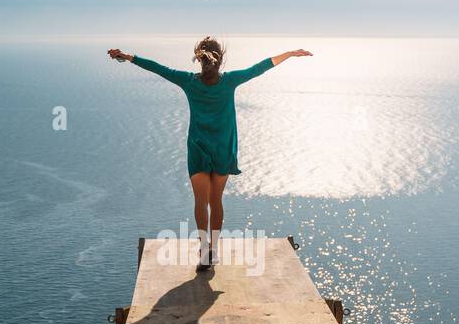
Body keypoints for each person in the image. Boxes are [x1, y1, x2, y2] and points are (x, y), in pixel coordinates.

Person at [107, 38, 312, 270]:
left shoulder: (188, 81)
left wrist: (127, 56)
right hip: (223, 148)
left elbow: (158, 68)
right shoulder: (230, 80)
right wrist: (289, 53)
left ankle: (205, 249)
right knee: (216, 201)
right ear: (220, 58)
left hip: (198, 148)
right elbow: (260, 67)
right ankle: (213, 249)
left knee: (200, 201)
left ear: (200, 59)